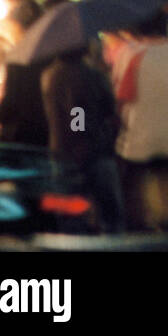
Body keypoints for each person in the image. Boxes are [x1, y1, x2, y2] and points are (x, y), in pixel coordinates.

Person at [115, 6, 168, 230]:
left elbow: (122, 96)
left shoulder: (131, 54)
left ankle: (138, 232)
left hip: (139, 139)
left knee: (132, 192)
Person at [41, 45, 124, 233]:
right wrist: (80, 134)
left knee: (70, 217)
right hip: (92, 151)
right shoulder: (90, 75)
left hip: (62, 153)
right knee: (110, 215)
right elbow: (78, 112)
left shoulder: (49, 76)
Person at [0, 1, 49, 147]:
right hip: (50, 140)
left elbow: (9, 107)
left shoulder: (19, 60)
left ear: (19, 28)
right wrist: (76, 133)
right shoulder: (59, 60)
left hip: (23, 140)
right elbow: (78, 108)